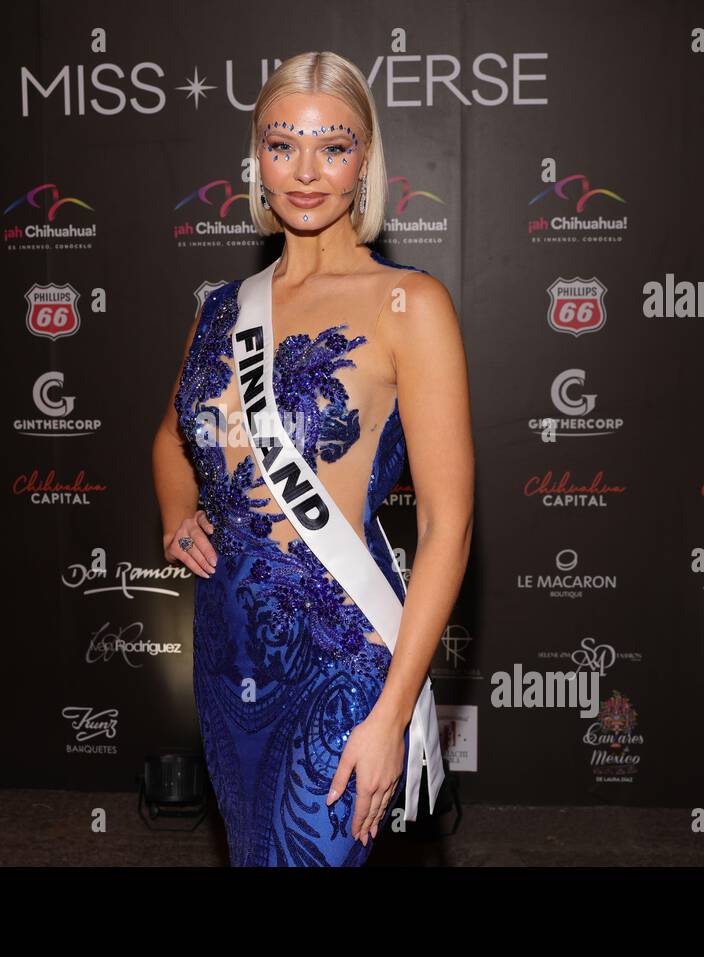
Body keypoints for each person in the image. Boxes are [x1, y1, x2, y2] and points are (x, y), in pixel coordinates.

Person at [151, 50, 474, 866]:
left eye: (333, 146)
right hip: (228, 656)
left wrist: (392, 713)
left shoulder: (411, 306)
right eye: (281, 143)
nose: (305, 171)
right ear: (255, 155)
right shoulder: (222, 309)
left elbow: (446, 523)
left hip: (343, 663)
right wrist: (174, 514)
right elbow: (170, 435)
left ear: (365, 160)